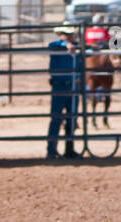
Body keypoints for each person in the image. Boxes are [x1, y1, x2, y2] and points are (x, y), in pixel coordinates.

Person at [46, 24, 81, 160]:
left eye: (71, 34)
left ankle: (69, 150)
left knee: (71, 119)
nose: (70, 36)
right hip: (59, 86)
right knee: (56, 119)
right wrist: (66, 44)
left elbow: (89, 50)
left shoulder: (77, 46)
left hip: (72, 86)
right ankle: (51, 150)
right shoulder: (56, 45)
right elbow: (51, 46)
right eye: (67, 34)